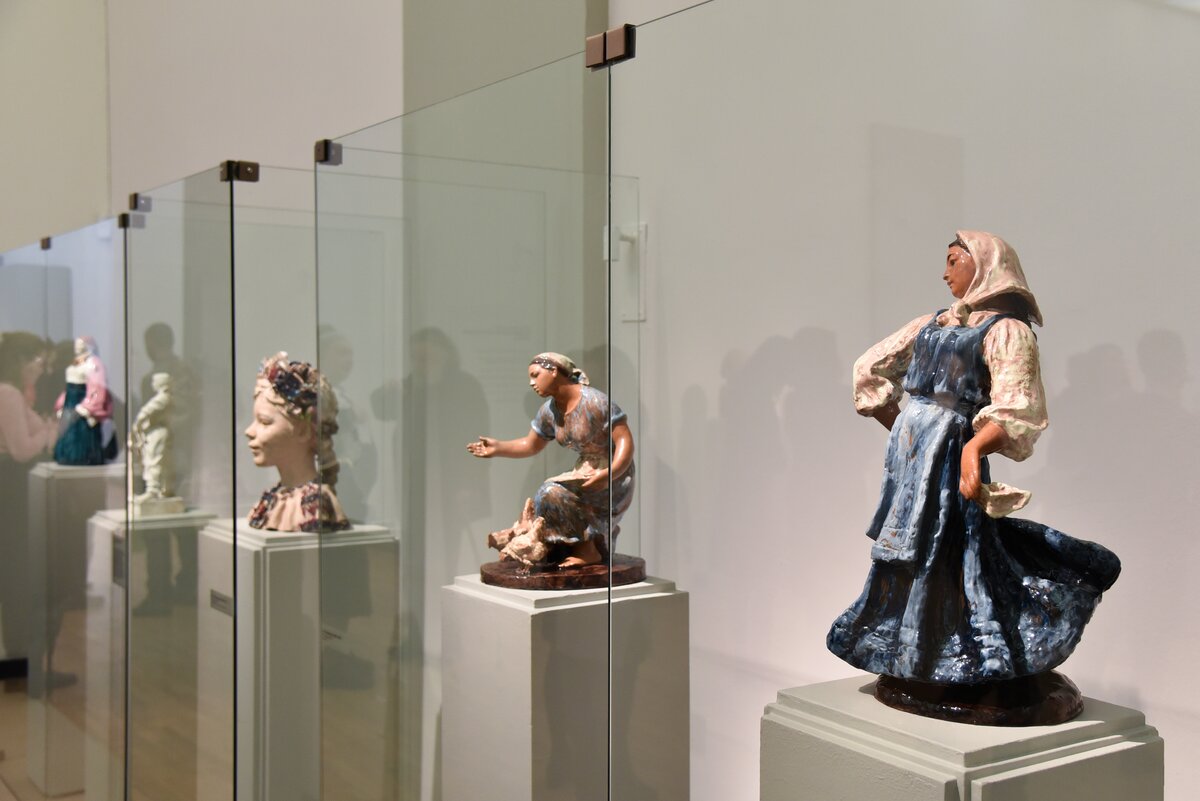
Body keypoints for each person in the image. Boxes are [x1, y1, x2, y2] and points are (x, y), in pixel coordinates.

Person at [826, 231, 1120, 721]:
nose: (945, 274)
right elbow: (869, 369)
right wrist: (906, 430)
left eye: (953, 261)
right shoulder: (932, 323)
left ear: (983, 264)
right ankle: (910, 653)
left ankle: (964, 656)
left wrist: (970, 446)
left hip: (947, 450)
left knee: (952, 544)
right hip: (915, 454)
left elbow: (1018, 404)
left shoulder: (1007, 332)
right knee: (908, 547)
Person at [467, 352, 634, 568]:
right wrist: (498, 447)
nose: (532, 383)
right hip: (585, 470)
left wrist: (610, 474)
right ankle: (556, 548)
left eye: (535, 375)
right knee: (546, 496)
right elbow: (531, 444)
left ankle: (587, 551)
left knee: (550, 494)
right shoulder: (549, 410)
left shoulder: (595, 402)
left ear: (554, 371)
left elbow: (624, 441)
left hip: (613, 474)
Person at [245, 352, 349, 533]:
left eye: (265, 422)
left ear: (303, 431)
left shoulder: (314, 506)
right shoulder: (273, 498)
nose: (249, 431)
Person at [0, 332, 56, 658]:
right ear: (21, 359)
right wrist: (48, 434)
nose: (41, 367)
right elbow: (21, 449)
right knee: (17, 568)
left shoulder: (12, 393)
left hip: (12, 483)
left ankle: (20, 650)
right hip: (12, 484)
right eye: (37, 360)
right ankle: (21, 652)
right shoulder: (7, 393)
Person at [54, 336, 113, 465]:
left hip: (82, 400)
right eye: (77, 343)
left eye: (81, 343)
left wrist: (88, 406)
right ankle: (68, 456)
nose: (78, 345)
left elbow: (97, 387)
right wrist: (61, 405)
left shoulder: (94, 363)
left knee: (82, 431)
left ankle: (84, 457)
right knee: (69, 430)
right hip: (70, 401)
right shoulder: (76, 362)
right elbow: (68, 388)